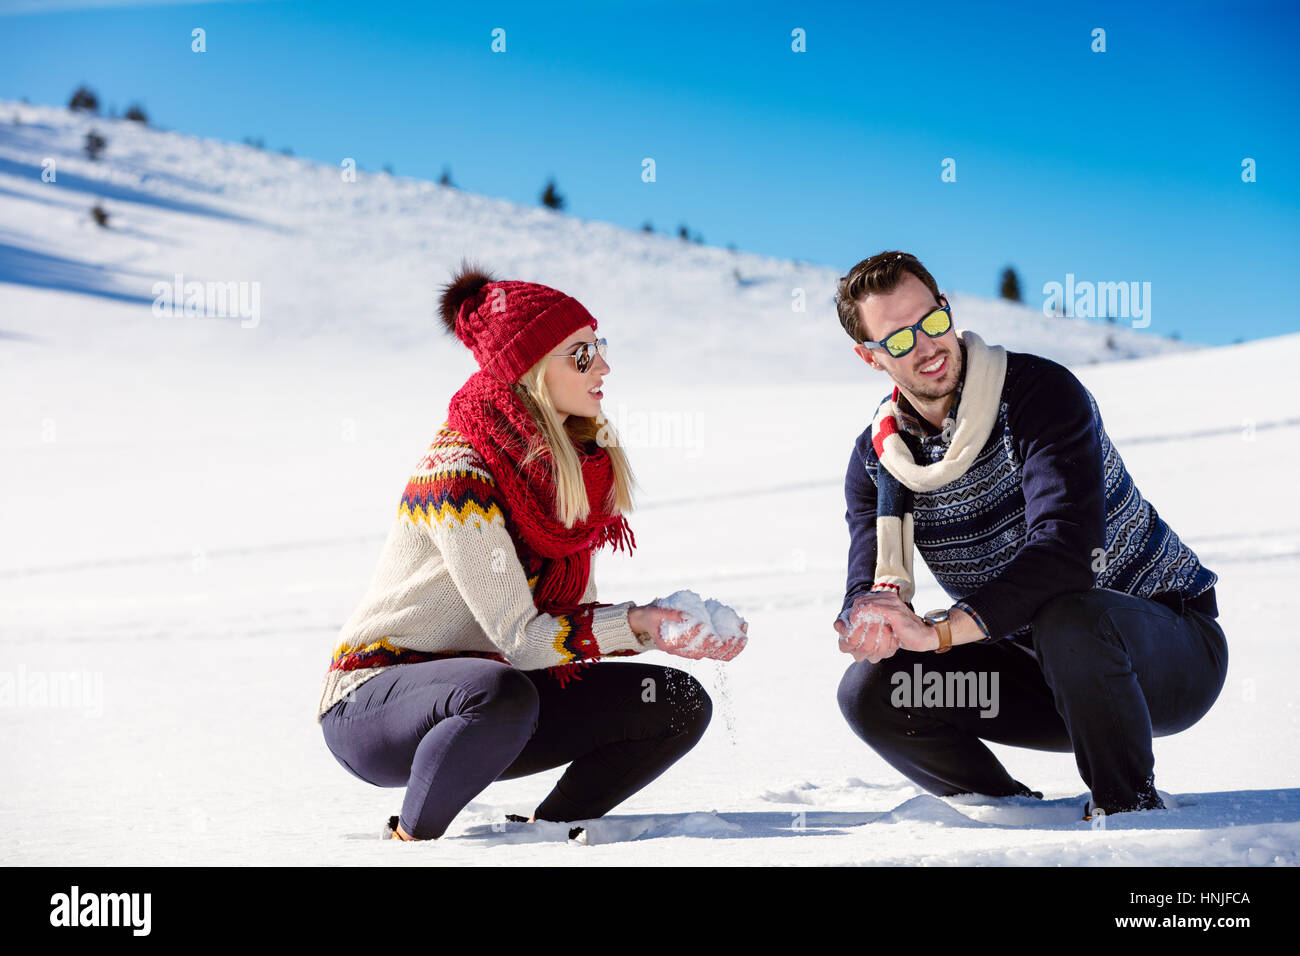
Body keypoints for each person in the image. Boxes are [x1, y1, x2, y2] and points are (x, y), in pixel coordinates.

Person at [316, 263, 745, 841]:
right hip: (375, 702)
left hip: (491, 702)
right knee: (498, 694)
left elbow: (559, 632)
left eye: (600, 347)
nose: (605, 367)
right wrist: (638, 624)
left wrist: (658, 628)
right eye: (582, 353)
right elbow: (520, 639)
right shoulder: (458, 474)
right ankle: (413, 842)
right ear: (532, 370)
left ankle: (548, 835)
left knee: (671, 700)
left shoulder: (573, 467)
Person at [830, 250, 1226, 817]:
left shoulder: (1038, 394)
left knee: (1071, 613)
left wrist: (942, 633)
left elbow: (1068, 554)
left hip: (1167, 656)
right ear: (869, 357)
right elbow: (868, 584)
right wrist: (869, 622)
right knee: (871, 690)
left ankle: (1128, 812)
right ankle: (1013, 816)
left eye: (932, 322)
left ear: (947, 309)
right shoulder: (879, 458)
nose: (926, 347)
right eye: (897, 340)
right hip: (1042, 675)